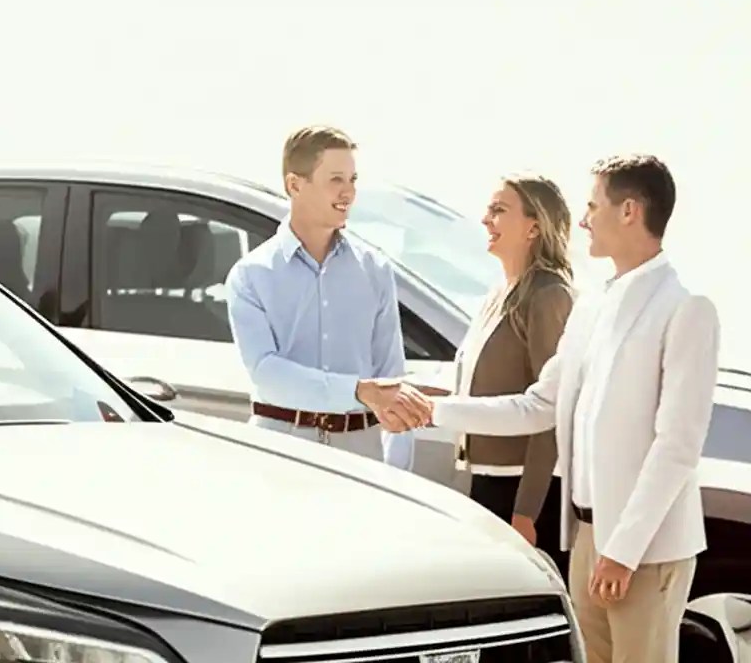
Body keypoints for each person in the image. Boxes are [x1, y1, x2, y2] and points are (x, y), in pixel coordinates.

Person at [421, 154, 719, 663]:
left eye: (592, 205)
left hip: (643, 551)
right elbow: (538, 405)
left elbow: (677, 448)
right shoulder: (592, 307)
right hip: (586, 539)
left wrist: (622, 553)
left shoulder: (686, 310)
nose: (582, 220)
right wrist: (434, 412)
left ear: (629, 211)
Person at [225, 125, 430, 467]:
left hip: (360, 459)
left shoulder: (375, 269)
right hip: (279, 460)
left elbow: (392, 379)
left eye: (353, 180)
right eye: (336, 179)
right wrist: (358, 390)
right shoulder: (251, 276)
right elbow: (267, 375)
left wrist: (397, 476)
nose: (348, 193)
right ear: (294, 185)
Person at [453, 173, 574, 579]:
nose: (486, 219)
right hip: (488, 483)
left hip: (522, 490)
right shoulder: (500, 292)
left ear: (534, 226)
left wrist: (527, 511)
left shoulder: (548, 295)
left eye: (498, 210)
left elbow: (551, 411)